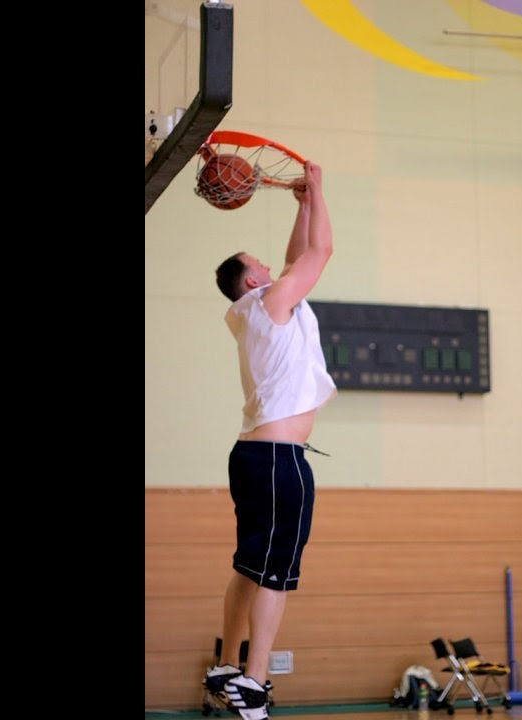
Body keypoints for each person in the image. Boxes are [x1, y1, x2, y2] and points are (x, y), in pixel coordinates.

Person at [203, 161, 336, 720]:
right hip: (280, 460)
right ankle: (253, 683)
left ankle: (227, 666)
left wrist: (301, 206)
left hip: (252, 455)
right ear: (254, 281)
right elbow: (318, 254)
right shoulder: (273, 302)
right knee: (275, 573)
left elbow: (294, 259)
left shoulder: (254, 310)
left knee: (246, 566)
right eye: (259, 264)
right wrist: (320, 191)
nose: (268, 264)